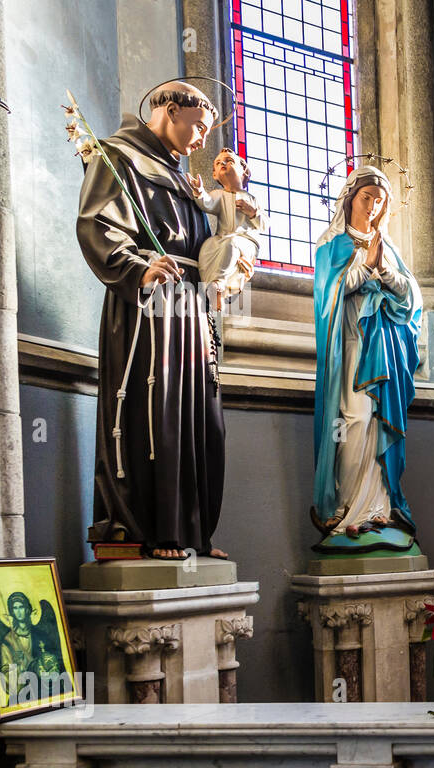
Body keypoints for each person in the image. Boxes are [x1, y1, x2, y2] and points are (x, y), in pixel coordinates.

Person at [76, 80, 236, 560]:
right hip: (150, 304)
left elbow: (204, 245)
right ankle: (151, 530)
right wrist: (137, 268)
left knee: (200, 417)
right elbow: (96, 224)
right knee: (156, 411)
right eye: (200, 127)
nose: (203, 141)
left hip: (190, 307)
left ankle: (191, 530)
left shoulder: (181, 178)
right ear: (170, 109)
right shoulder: (117, 157)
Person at [311, 166, 422, 543]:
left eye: (380, 200)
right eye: (366, 197)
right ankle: (346, 510)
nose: (373, 206)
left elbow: (410, 298)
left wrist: (384, 272)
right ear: (350, 198)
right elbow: (330, 294)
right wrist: (365, 267)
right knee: (354, 420)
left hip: (383, 351)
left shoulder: (387, 247)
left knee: (378, 423)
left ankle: (379, 510)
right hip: (350, 347)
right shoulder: (332, 245)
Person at [191, 148, 267, 311]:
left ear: (243, 172)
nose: (223, 164)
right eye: (218, 163)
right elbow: (207, 203)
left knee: (231, 245)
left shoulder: (251, 199)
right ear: (215, 175)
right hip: (223, 238)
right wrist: (199, 192)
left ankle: (218, 284)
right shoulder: (219, 194)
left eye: (229, 161)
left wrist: (253, 212)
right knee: (208, 246)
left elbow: (265, 225)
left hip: (247, 243)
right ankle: (213, 290)